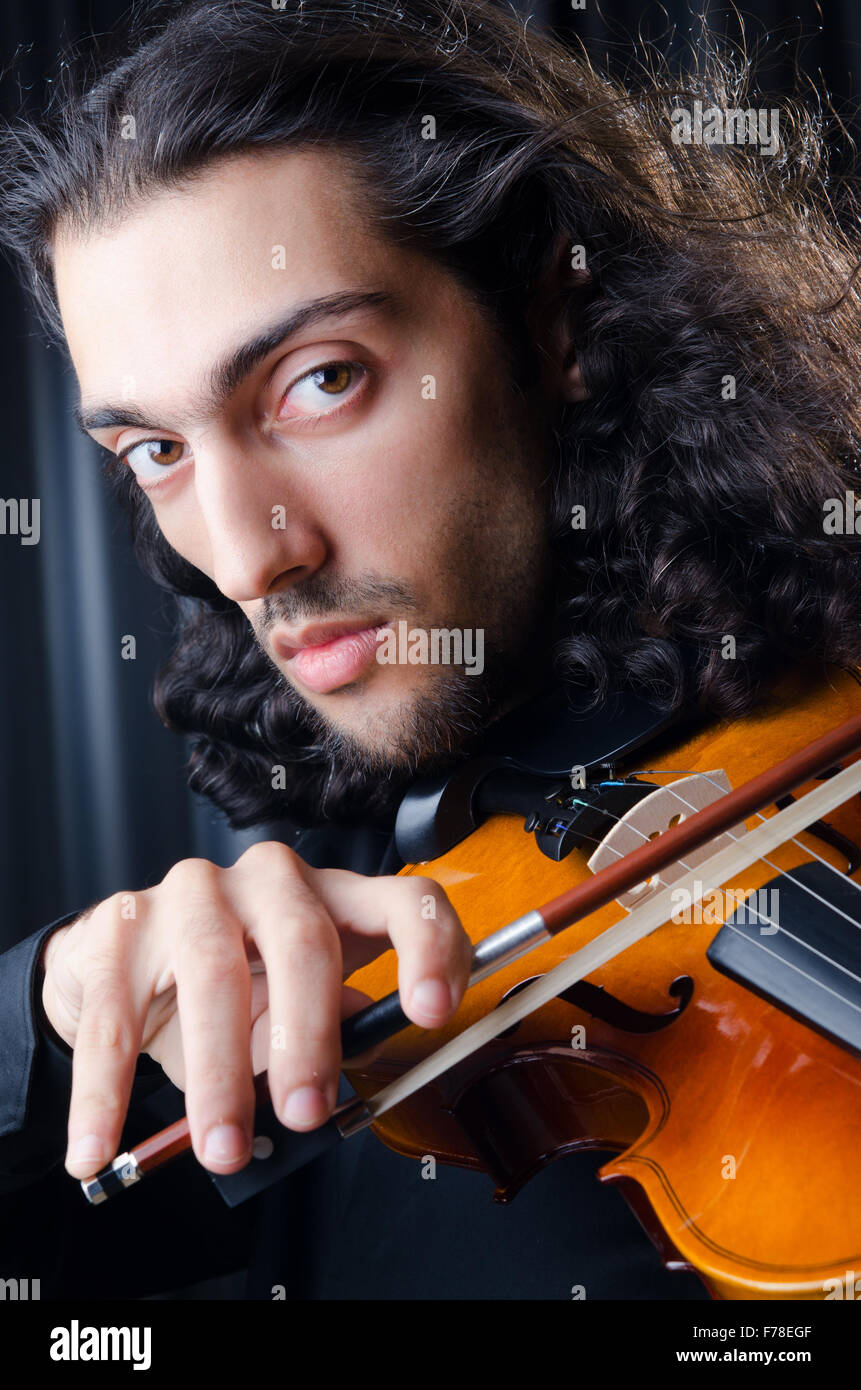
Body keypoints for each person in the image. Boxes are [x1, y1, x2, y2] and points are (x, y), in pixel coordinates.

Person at [0, 0, 858, 1300]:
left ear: (548, 317)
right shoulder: (332, 949)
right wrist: (56, 1011)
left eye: (318, 381)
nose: (242, 559)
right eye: (157, 451)